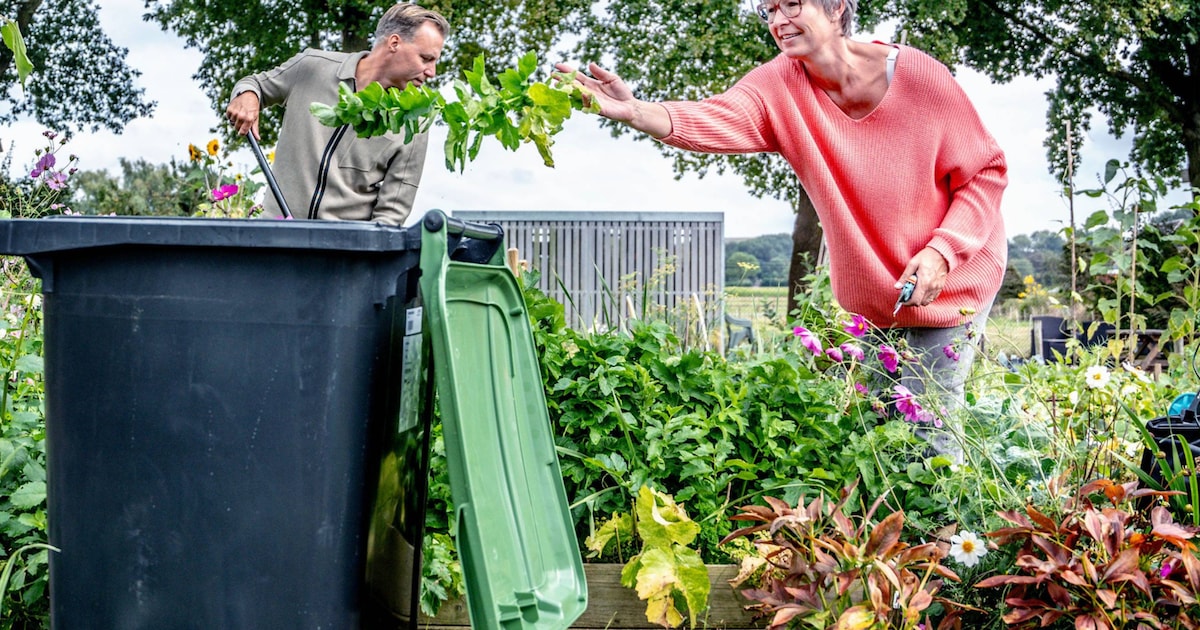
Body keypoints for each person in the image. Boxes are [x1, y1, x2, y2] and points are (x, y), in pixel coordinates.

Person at [558, 0, 1007, 461]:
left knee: (929, 431)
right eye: (768, 10)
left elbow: (984, 172)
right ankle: (894, 531)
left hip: (954, 274)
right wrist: (634, 111)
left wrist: (942, 252)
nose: (778, 21)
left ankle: (948, 534)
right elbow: (715, 117)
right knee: (882, 431)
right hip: (878, 292)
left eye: (792, 4)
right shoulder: (779, 85)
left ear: (838, 9)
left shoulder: (918, 77)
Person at [226, 3, 449, 224]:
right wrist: (247, 94)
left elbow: (390, 216)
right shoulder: (311, 67)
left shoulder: (415, 120)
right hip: (276, 237)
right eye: (426, 58)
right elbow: (255, 84)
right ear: (394, 43)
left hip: (342, 252)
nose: (432, 72)